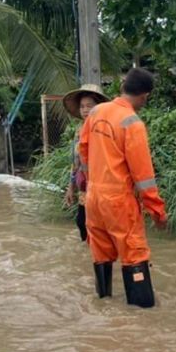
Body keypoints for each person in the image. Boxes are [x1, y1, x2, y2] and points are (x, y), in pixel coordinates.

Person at [78, 67, 167, 306]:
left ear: (123, 87)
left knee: (101, 253)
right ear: (144, 96)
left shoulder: (96, 111)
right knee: (134, 254)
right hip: (118, 201)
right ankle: (141, 316)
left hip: (93, 199)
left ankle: (103, 302)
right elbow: (144, 177)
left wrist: (91, 183)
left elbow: (83, 149)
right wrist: (157, 212)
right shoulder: (132, 123)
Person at [61, 83, 109, 241]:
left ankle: (101, 257)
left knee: (100, 225)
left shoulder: (104, 130)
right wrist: (70, 187)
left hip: (101, 186)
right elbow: (75, 162)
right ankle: (91, 255)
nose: (85, 110)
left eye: (89, 106)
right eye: (82, 106)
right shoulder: (79, 131)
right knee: (82, 223)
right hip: (84, 186)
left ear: (99, 107)